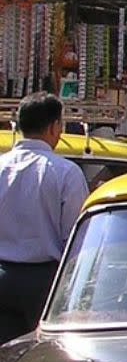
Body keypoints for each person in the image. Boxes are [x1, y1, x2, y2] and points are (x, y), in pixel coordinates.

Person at [0, 93, 87, 343]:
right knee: (43, 355)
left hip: (2, 276)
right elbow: (74, 237)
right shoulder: (65, 173)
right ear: (53, 127)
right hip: (44, 282)